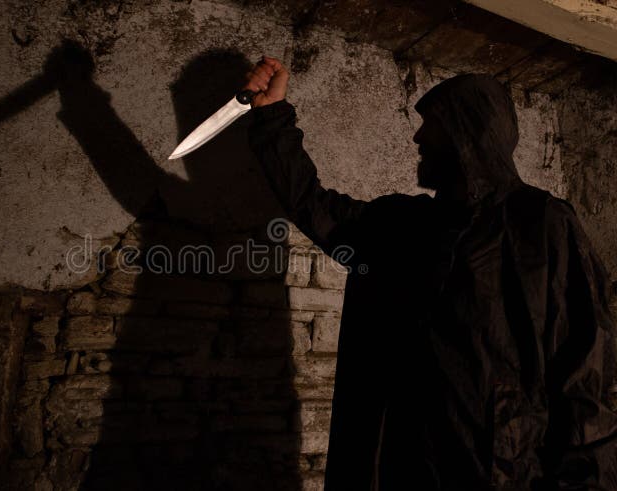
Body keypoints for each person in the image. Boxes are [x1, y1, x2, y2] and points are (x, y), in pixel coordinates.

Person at [243, 55, 617, 490]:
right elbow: (315, 207)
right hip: (402, 470)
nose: (419, 136)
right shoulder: (402, 226)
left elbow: (585, 374)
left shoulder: (542, 224)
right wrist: (271, 116)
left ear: (470, 131)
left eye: (434, 124)